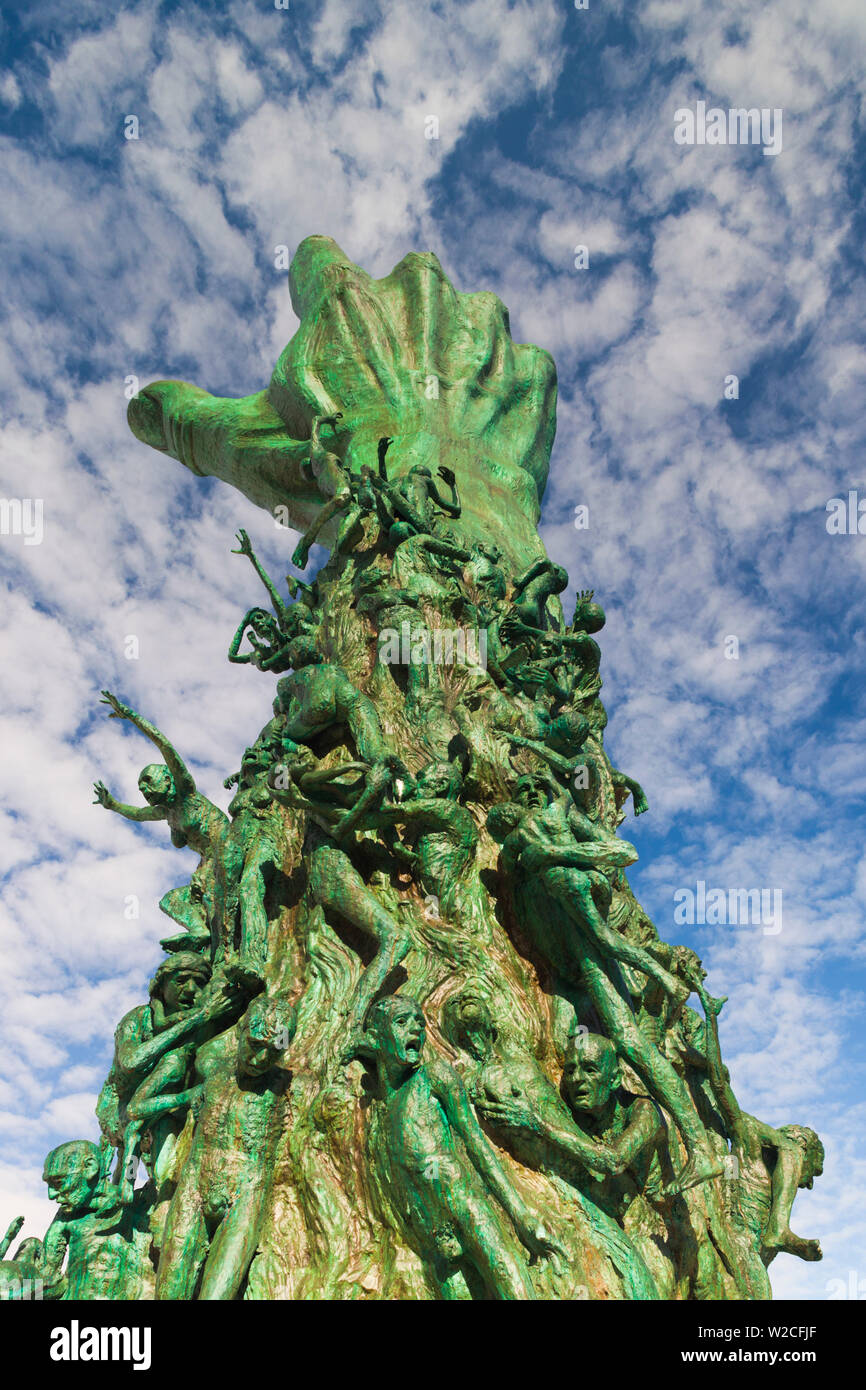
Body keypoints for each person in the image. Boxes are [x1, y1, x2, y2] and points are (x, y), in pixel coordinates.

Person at [362, 995, 561, 1299]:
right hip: (432, 1241)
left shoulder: (433, 1076)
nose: (415, 1029)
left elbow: (476, 1143)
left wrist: (521, 1215)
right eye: (401, 1022)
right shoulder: (377, 1113)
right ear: (376, 1037)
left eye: (419, 1022)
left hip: (467, 1210)